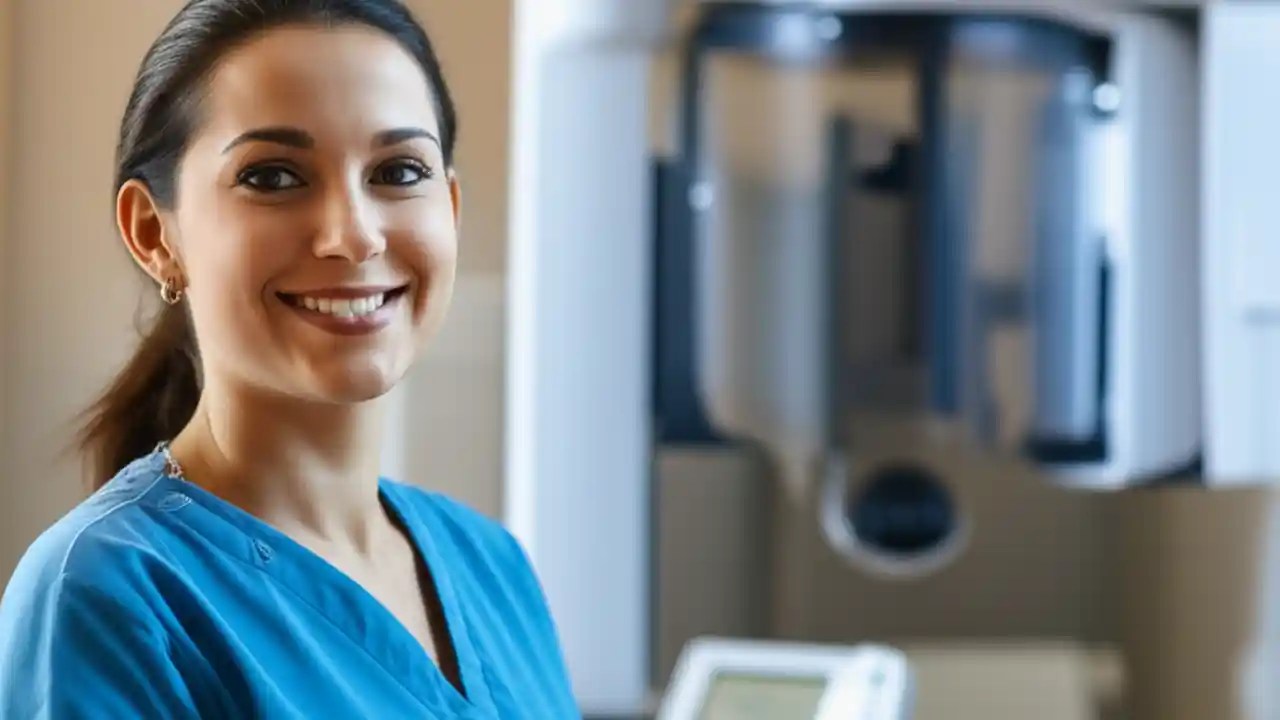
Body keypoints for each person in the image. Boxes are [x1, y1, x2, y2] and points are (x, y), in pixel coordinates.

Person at [0, 1, 579, 717]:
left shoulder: (494, 568)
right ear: (154, 232)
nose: (354, 236)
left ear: (450, 210)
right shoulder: (108, 594)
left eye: (399, 172)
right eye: (273, 177)